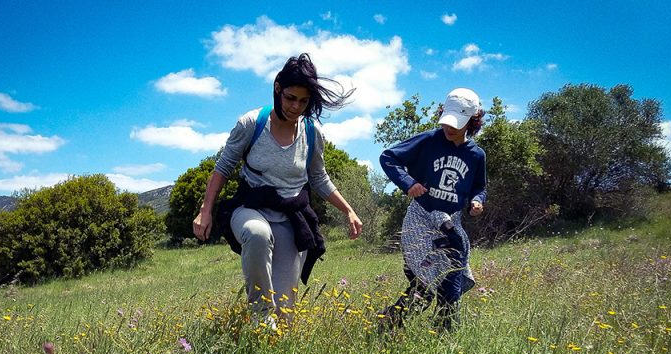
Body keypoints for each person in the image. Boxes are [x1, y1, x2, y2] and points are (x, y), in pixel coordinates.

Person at [192, 53, 362, 326]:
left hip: (290, 216)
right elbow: (223, 167)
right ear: (277, 88)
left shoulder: (311, 132)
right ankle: (259, 320)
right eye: (290, 98)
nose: (296, 107)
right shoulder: (252, 124)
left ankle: (270, 340)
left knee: (285, 316)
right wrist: (205, 211)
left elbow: (318, 177)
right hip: (251, 207)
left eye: (304, 101)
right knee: (257, 234)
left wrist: (349, 210)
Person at [378, 88, 487, 331]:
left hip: (451, 221)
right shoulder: (429, 140)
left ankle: (444, 331)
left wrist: (477, 200)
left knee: (452, 275)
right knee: (425, 284)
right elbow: (388, 158)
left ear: (473, 120)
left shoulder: (476, 155)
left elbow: (479, 187)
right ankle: (390, 325)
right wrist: (409, 184)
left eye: (457, 123)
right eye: (447, 121)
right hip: (422, 217)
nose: (450, 128)